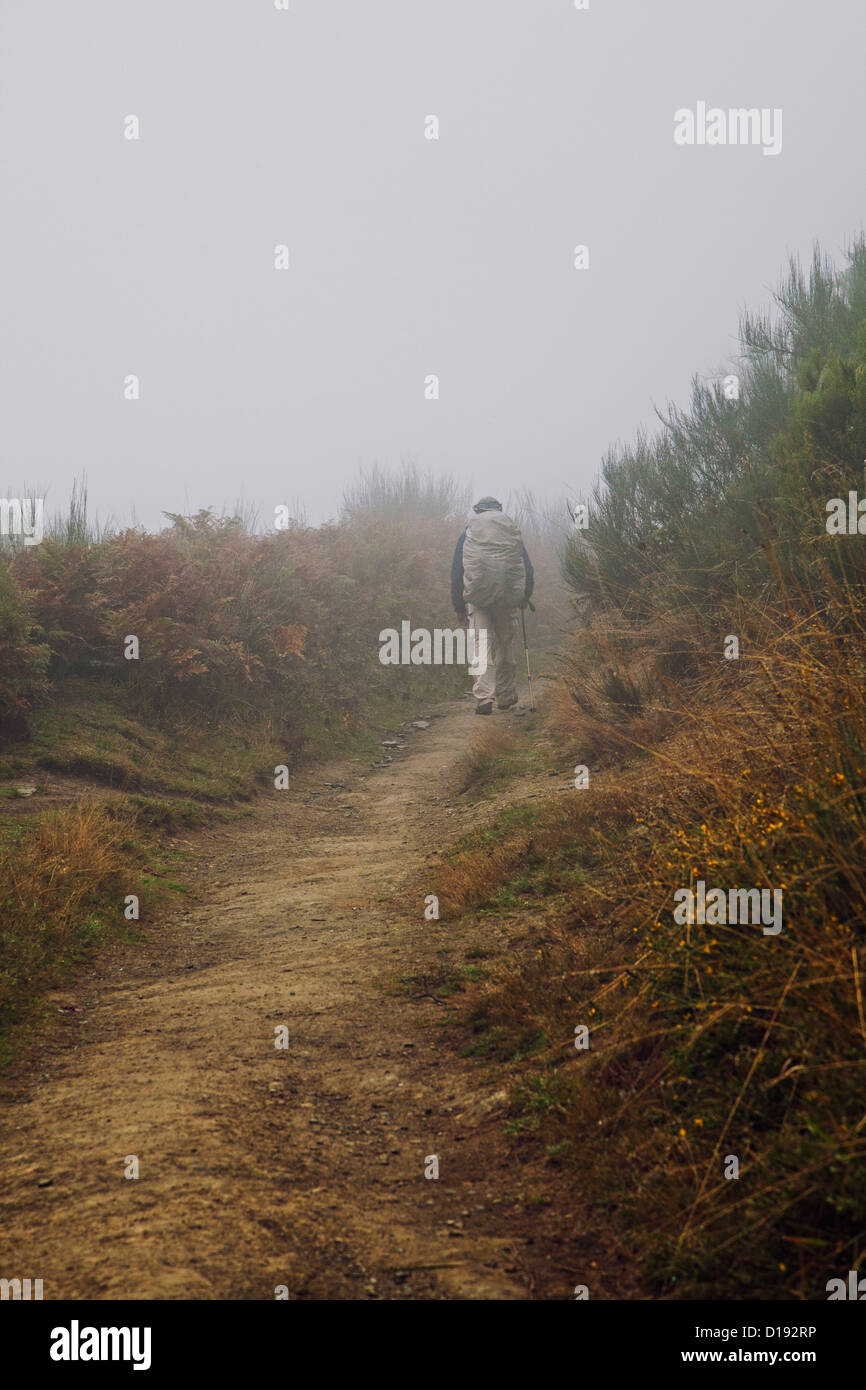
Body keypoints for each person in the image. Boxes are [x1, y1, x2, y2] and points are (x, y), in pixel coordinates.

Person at [450, 497, 534, 714]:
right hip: (507, 599)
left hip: (478, 598)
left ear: (478, 511)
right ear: (499, 510)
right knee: (505, 644)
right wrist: (524, 596)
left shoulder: (468, 534)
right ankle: (506, 696)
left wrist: (459, 606)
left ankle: (484, 697)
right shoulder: (509, 533)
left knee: (481, 645)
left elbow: (458, 572)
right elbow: (525, 567)